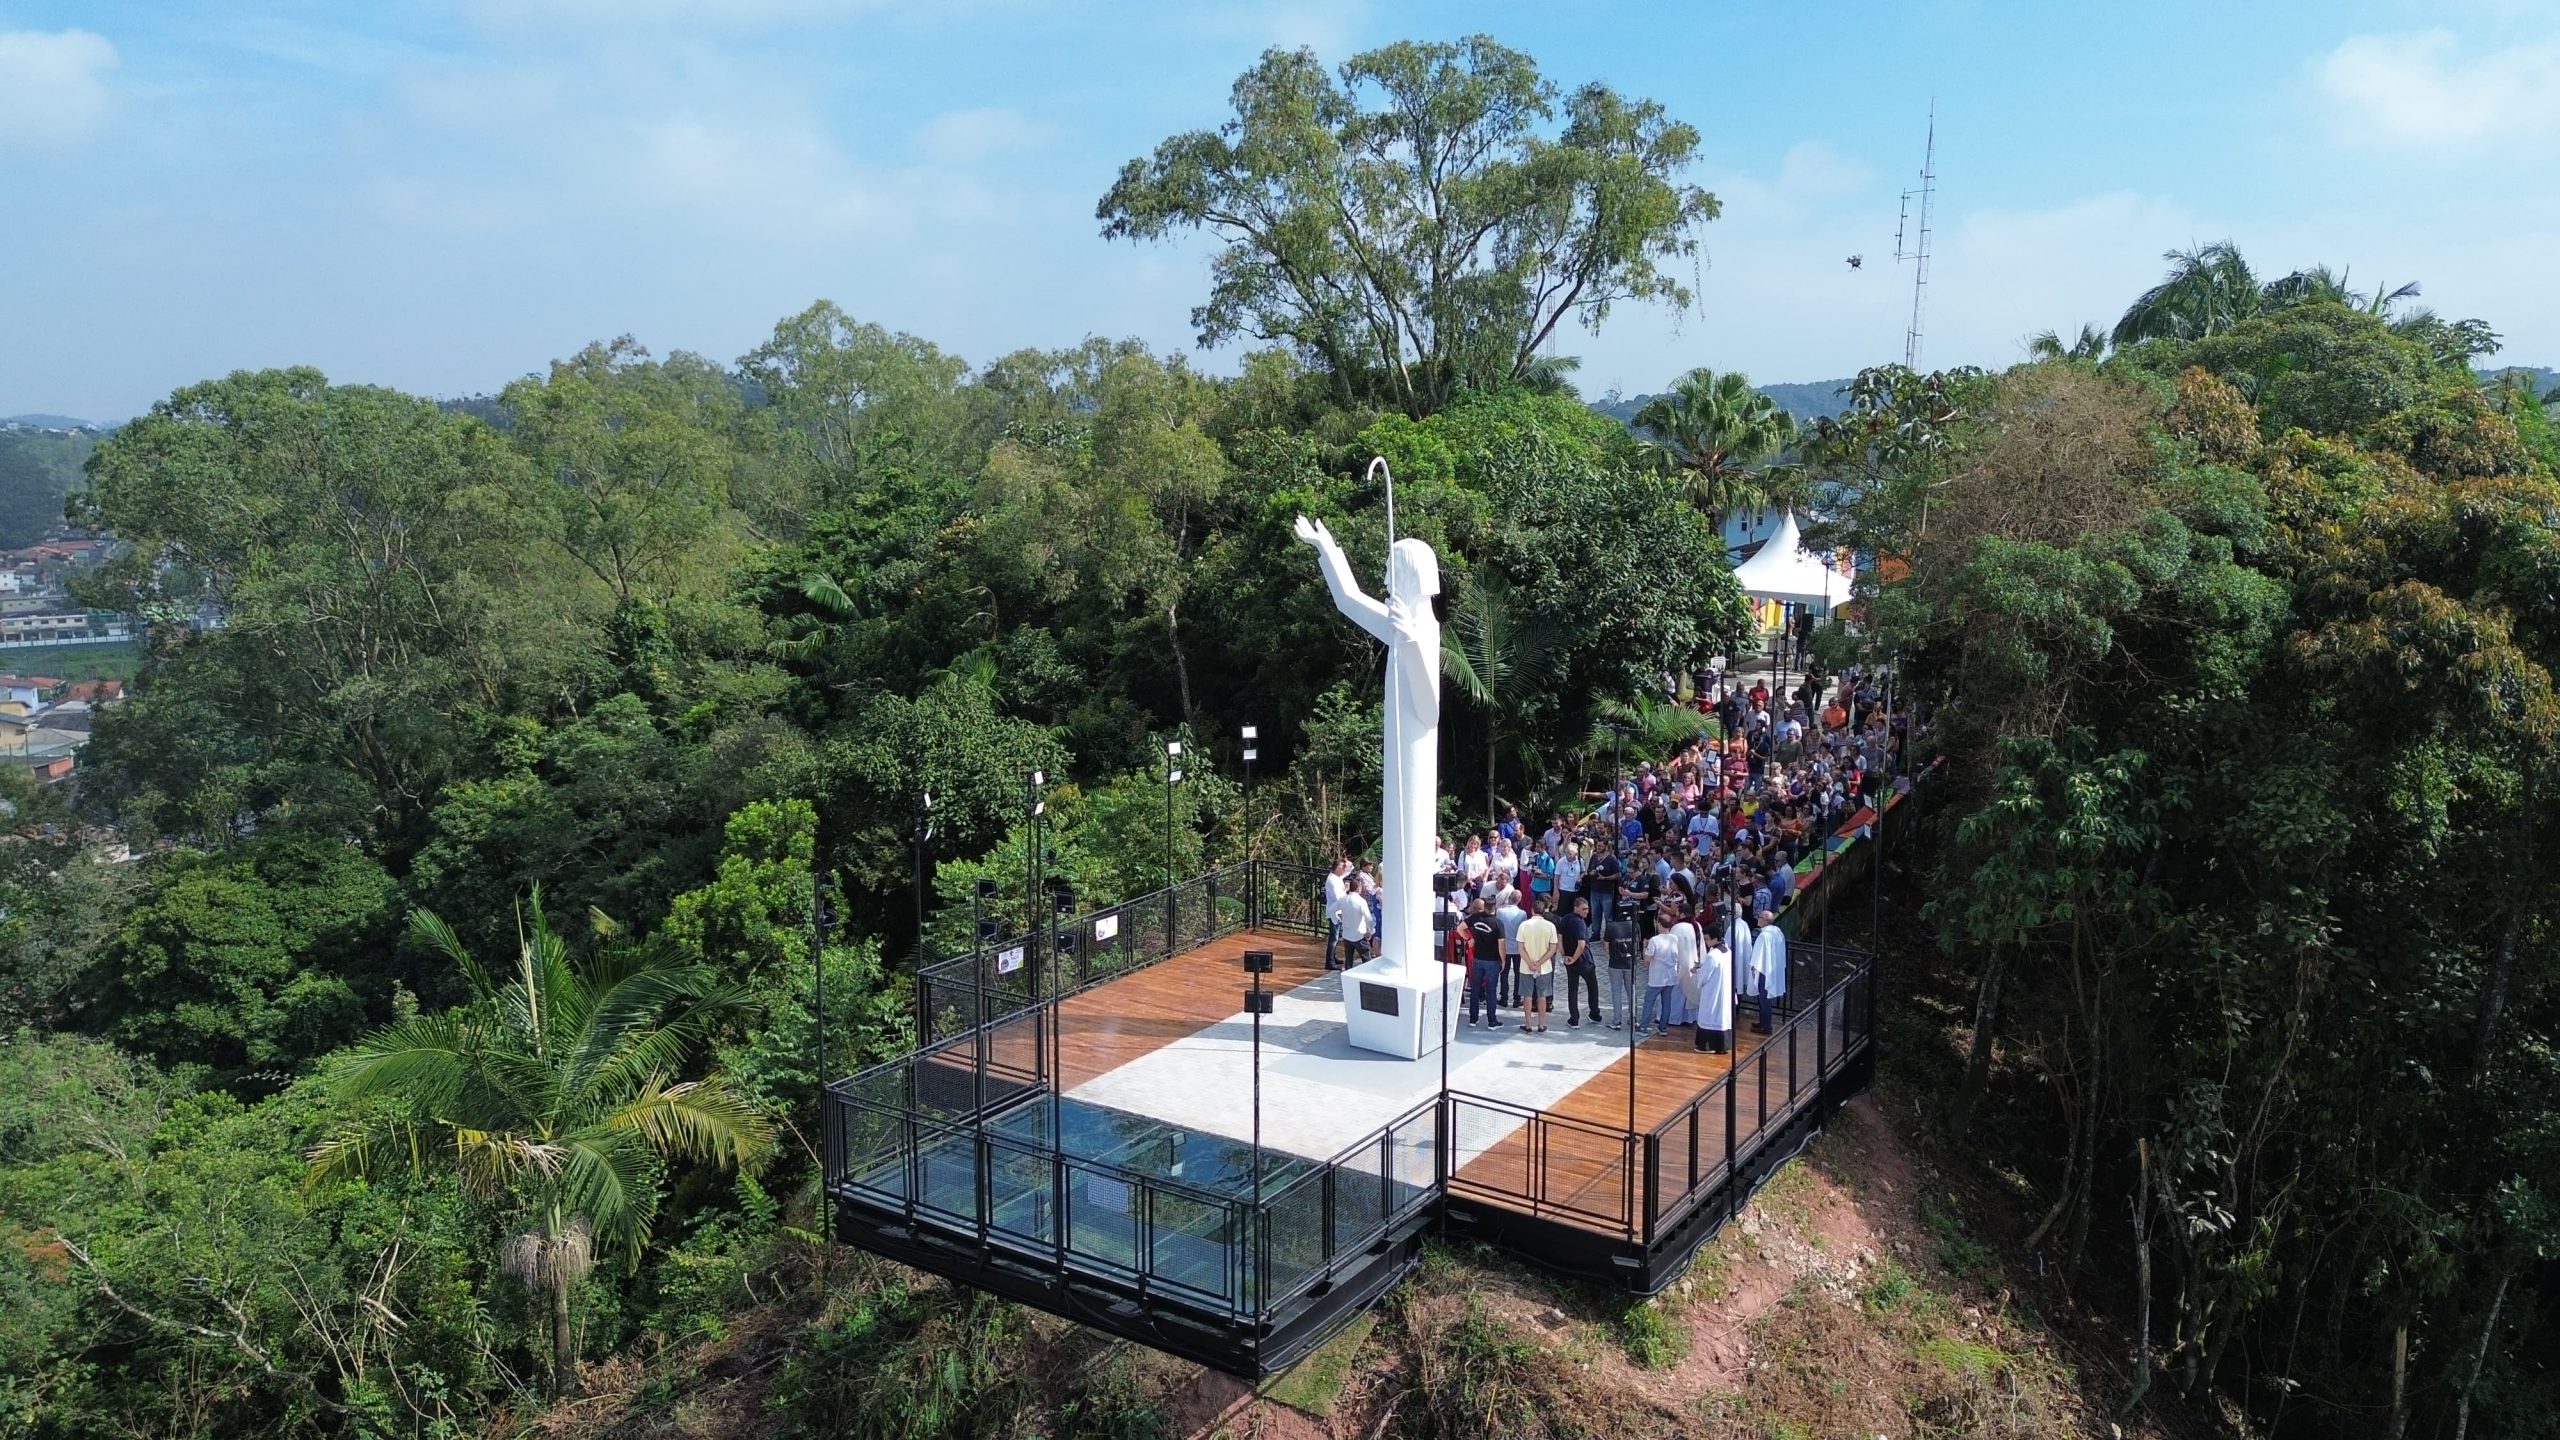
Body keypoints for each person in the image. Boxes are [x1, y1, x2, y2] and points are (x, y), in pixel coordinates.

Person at [1514, 903, 1560, 1033]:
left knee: (1527, 996)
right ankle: (1541, 1024)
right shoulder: (1550, 926)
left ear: (1532, 910)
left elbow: (1520, 948)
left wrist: (1530, 963)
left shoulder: (1523, 925)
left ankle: (1528, 1024)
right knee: (1542, 996)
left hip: (1526, 966)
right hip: (1544, 967)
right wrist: (1539, 963)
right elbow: (1552, 949)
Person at [1558, 895, 1600, 1029]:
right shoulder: (1580, 923)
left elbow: (1560, 939)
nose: (1586, 911)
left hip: (1570, 959)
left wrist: (1565, 956)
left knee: (1573, 988)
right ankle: (1594, 1013)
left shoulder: (1564, 919)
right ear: (1576, 908)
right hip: (1583, 961)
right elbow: (1581, 944)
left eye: (1587, 909)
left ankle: (1574, 1019)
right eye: (1583, 909)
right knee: (1592, 986)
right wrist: (1573, 958)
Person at [1462, 897, 1505, 1028]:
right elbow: (1501, 945)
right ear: (1495, 907)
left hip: (1477, 959)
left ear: (1485, 906)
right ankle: (1492, 1021)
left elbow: (1460, 928)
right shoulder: (1498, 923)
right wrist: (1503, 960)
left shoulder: (1475, 918)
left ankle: (1473, 1019)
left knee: (1475, 989)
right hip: (1492, 961)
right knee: (1491, 991)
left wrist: (1469, 938)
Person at [1642, 912, 1683, 1035]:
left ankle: (1643, 1025)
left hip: (1656, 977)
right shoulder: (1675, 938)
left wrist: (1645, 946)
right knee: (1667, 1002)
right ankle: (1663, 1027)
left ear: (1659, 924)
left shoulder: (1654, 940)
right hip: (1670, 976)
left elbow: (1647, 959)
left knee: (1649, 1001)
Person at [1748, 907, 1788, 1034]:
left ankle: (1766, 1026)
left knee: (1764, 998)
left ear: (1765, 920)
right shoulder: (1777, 932)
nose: (1757, 919)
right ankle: (1763, 1022)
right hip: (1772, 968)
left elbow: (1758, 953)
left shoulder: (1764, 935)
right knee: (1764, 998)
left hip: (1764, 970)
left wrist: (1754, 967)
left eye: (1759, 917)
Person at [1695, 925, 1734, 1053]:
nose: (1706, 942)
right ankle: (1722, 1045)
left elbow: (1705, 975)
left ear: (1715, 939)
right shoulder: (1727, 951)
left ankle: (1707, 1045)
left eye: (1707, 939)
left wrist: (1697, 971)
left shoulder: (1713, 955)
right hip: (1725, 990)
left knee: (1710, 1015)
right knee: (1721, 1016)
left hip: (1713, 991)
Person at [1493, 886, 1528, 1008]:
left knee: (1504, 973)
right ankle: (1517, 998)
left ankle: (1504, 997)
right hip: (1517, 947)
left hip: (1505, 946)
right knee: (1518, 974)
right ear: (1519, 900)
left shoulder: (1500, 912)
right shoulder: (1522, 914)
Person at [1326, 880, 1371, 971]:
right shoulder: (1361, 901)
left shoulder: (1343, 899)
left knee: (1348, 960)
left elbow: (1331, 910)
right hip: (1359, 935)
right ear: (1359, 888)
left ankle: (1347, 979)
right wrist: (1370, 930)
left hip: (1347, 935)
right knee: (1367, 960)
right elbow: (1368, 918)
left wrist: (1336, 920)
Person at [1585, 841, 1622, 936]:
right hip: (1594, 890)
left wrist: (1605, 878)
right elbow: (1589, 870)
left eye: (1601, 846)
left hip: (1607, 891)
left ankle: (1608, 936)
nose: (1599, 847)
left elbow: (1618, 874)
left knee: (1608, 915)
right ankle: (1595, 933)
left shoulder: (1612, 859)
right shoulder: (1594, 857)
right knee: (1595, 914)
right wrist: (1591, 873)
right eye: (1598, 846)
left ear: (1606, 846)